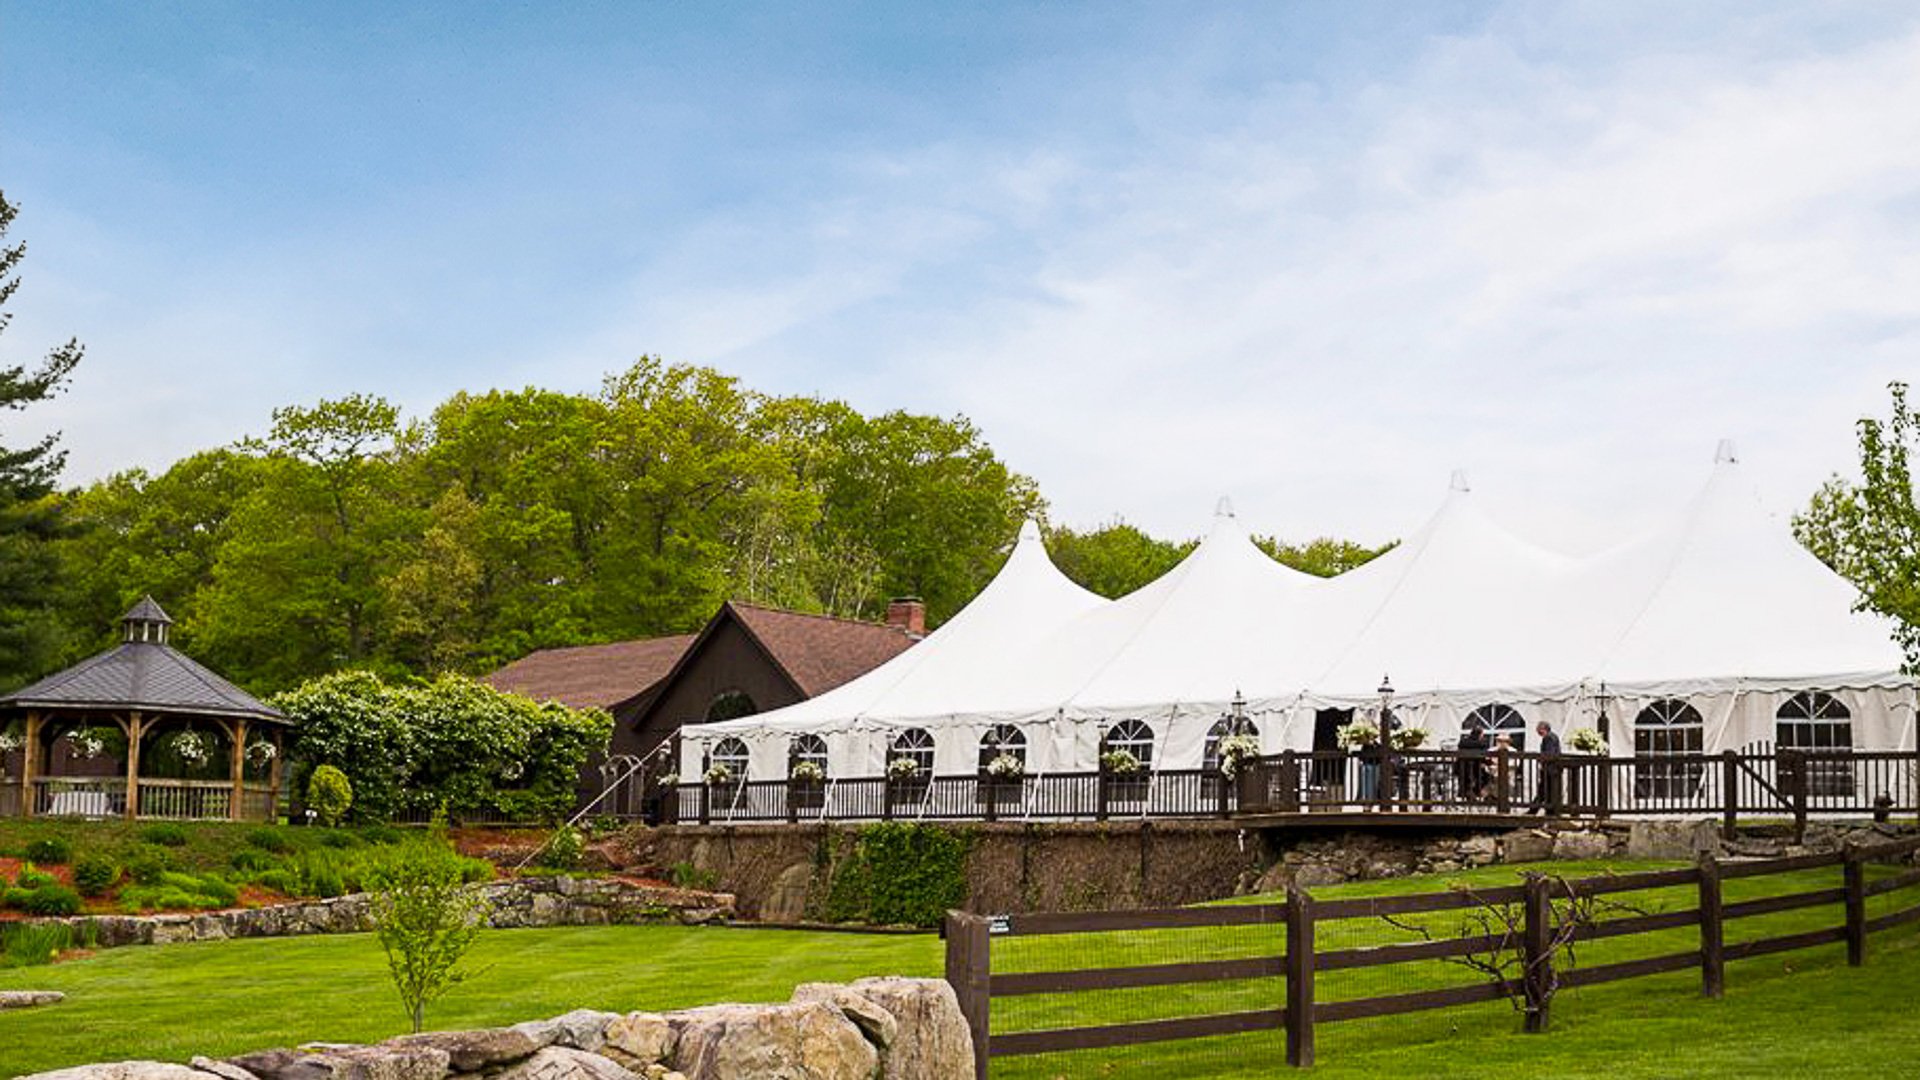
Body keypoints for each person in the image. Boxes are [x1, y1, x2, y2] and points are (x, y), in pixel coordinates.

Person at [1528, 720, 1563, 815]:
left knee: (1544, 791)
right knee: (1548, 791)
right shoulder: (1553, 736)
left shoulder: (1548, 738)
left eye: (1538, 729)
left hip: (1550, 769)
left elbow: (1550, 754)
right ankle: (1547, 811)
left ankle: (1534, 810)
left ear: (1543, 729)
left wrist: (1542, 759)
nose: (1537, 732)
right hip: (1553, 769)